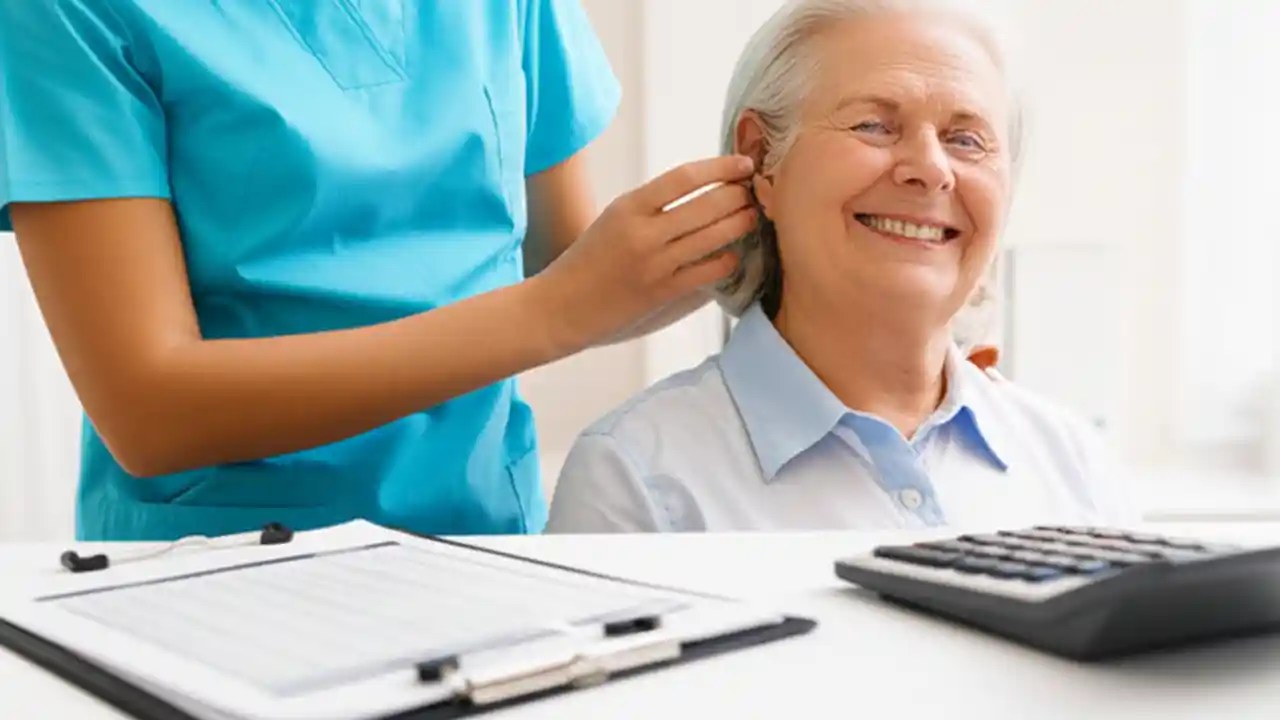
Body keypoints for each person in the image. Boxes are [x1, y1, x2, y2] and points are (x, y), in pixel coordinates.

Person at [0, 1, 757, 540]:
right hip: (216, 565)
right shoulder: (67, 12)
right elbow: (148, 410)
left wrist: (774, 238)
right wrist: (553, 312)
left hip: (486, 537)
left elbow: (570, 265)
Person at [547, 0, 1135, 533]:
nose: (931, 169)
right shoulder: (635, 481)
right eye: (874, 125)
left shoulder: (1074, 467)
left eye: (966, 139)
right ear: (761, 159)